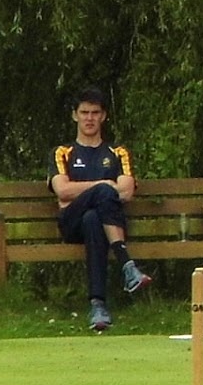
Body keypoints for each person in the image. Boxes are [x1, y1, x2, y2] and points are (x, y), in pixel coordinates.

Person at [49, 88, 153, 332]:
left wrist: (85, 190)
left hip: (99, 224)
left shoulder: (117, 153)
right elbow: (62, 191)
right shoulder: (63, 153)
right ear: (75, 116)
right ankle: (127, 264)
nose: (89, 118)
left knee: (93, 217)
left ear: (103, 116)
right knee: (104, 193)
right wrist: (104, 185)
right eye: (84, 112)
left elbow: (126, 192)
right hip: (70, 223)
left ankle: (98, 306)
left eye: (95, 113)